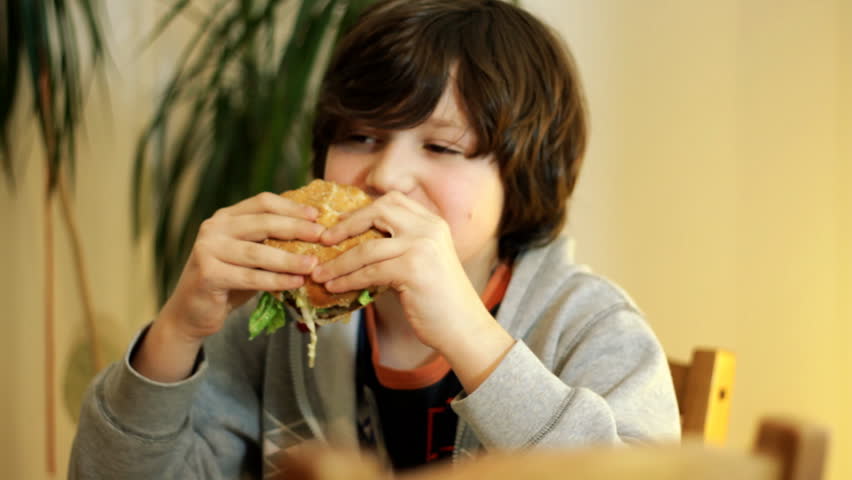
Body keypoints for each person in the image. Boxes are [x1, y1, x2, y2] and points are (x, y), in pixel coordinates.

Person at [70, 0, 680, 478]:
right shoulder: (279, 327)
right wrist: (176, 333)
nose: (385, 176)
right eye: (359, 138)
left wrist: (469, 337)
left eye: (441, 147)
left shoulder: (590, 328)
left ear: (522, 180)